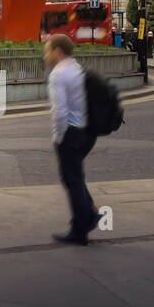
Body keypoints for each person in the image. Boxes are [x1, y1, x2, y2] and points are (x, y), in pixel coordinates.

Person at [44, 33, 102, 245]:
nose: (45, 55)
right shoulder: (77, 67)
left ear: (57, 51)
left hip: (71, 132)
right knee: (75, 177)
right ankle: (90, 215)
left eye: (48, 50)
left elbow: (60, 112)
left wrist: (58, 137)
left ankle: (80, 230)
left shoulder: (58, 74)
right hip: (87, 131)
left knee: (72, 179)